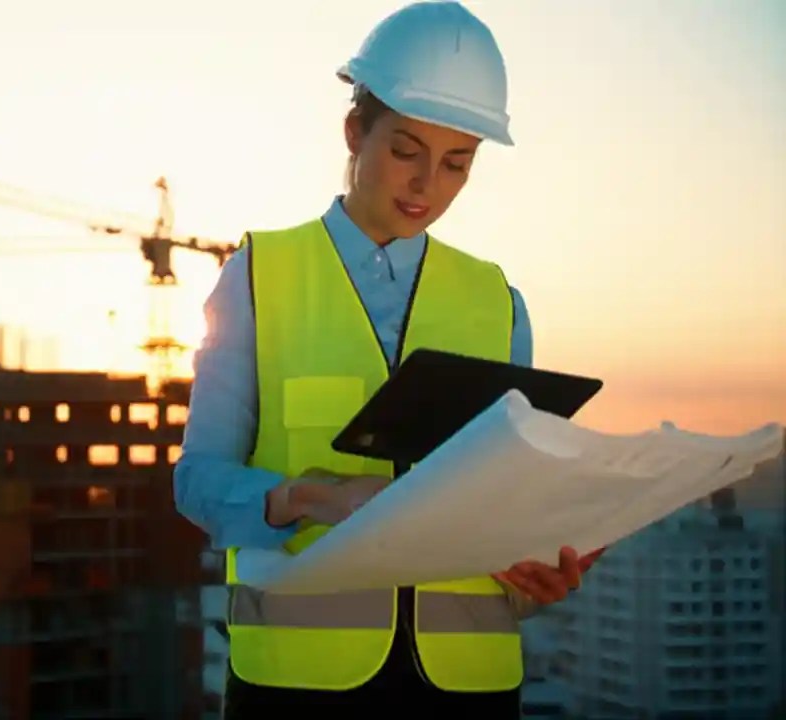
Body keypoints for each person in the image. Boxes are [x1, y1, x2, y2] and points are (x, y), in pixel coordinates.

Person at [173, 2, 605, 717]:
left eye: (457, 163)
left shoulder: (498, 302)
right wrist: (312, 497)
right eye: (407, 151)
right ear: (355, 131)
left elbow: (505, 505)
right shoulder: (258, 277)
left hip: (470, 689)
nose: (428, 184)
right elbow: (198, 480)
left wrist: (537, 571)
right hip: (296, 689)